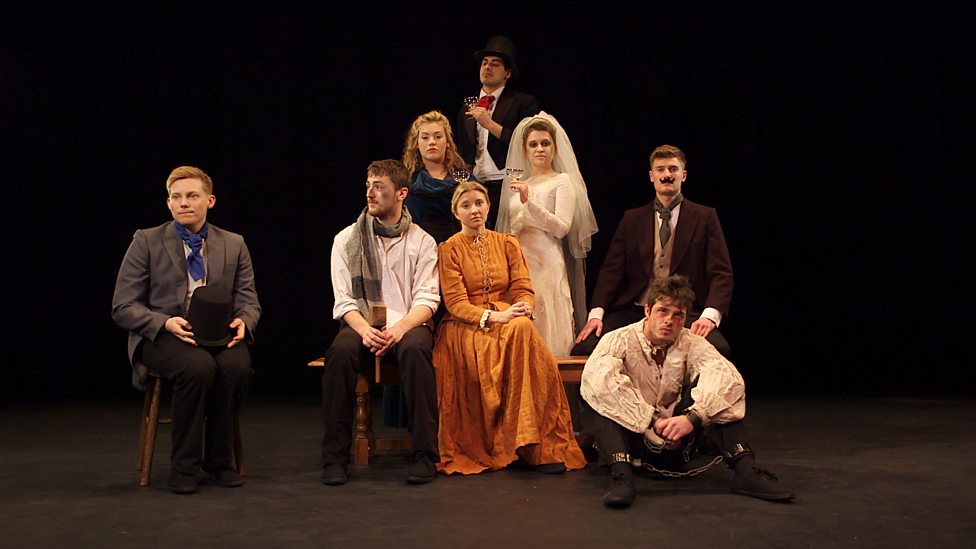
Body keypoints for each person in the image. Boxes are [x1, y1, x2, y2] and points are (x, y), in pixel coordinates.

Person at [581, 274, 795, 508]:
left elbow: (726, 378)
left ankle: (746, 471)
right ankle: (621, 476)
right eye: (663, 311)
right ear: (647, 311)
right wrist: (651, 419)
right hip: (632, 441)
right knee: (605, 395)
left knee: (722, 387)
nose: (669, 321)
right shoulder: (618, 340)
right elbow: (601, 382)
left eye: (678, 315)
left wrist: (692, 418)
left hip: (677, 442)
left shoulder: (691, 342)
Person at [112, 166, 261, 495]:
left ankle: (219, 460)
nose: (184, 203)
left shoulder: (233, 243)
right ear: (168, 203)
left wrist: (244, 321)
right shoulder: (146, 241)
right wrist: (164, 322)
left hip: (216, 334)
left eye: (192, 196)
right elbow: (123, 306)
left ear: (210, 200)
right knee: (198, 367)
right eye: (176, 197)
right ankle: (184, 465)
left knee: (236, 367)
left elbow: (249, 300)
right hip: (163, 335)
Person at [433, 181, 586, 475]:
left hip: (508, 320)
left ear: (488, 206)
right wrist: (495, 317)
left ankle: (534, 442)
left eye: (479, 203)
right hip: (466, 326)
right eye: (466, 205)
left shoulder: (506, 243)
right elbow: (455, 303)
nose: (474, 210)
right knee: (521, 332)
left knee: (523, 330)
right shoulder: (449, 249)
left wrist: (524, 306)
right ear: (456, 212)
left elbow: (522, 288)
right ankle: (528, 445)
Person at [321, 159, 440, 486]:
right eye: (368, 186)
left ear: (402, 193)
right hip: (361, 323)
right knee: (339, 353)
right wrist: (365, 330)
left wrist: (398, 329)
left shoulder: (422, 241)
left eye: (379, 187)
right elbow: (344, 300)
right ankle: (334, 457)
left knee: (416, 351)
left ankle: (425, 455)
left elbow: (428, 299)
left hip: (407, 325)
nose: (370, 193)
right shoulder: (347, 239)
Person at [573, 144, 734, 358]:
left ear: (683, 175)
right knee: (584, 348)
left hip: (683, 312)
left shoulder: (705, 218)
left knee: (719, 350)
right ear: (652, 176)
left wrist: (709, 316)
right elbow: (611, 271)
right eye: (660, 169)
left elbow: (721, 273)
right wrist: (596, 314)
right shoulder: (632, 219)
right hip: (636, 310)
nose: (667, 175)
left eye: (673, 169)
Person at [496, 112, 597, 356]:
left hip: (547, 262)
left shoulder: (562, 180)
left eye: (545, 143)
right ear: (525, 149)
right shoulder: (520, 182)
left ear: (554, 147)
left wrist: (529, 202)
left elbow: (562, 227)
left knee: (546, 324)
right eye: (533, 144)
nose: (540, 149)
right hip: (520, 263)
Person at [457, 35, 539, 230]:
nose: (487, 67)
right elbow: (463, 147)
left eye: (495, 64)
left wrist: (490, 124)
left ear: (507, 73)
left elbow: (527, 142)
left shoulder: (522, 103)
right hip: (476, 184)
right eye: (484, 63)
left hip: (506, 182)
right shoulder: (467, 106)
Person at [402, 110, 469, 244]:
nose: (432, 142)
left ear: (448, 142)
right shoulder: (405, 182)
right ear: (416, 143)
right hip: (416, 249)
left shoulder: (465, 181)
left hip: (459, 249)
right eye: (425, 137)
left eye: (438, 137)